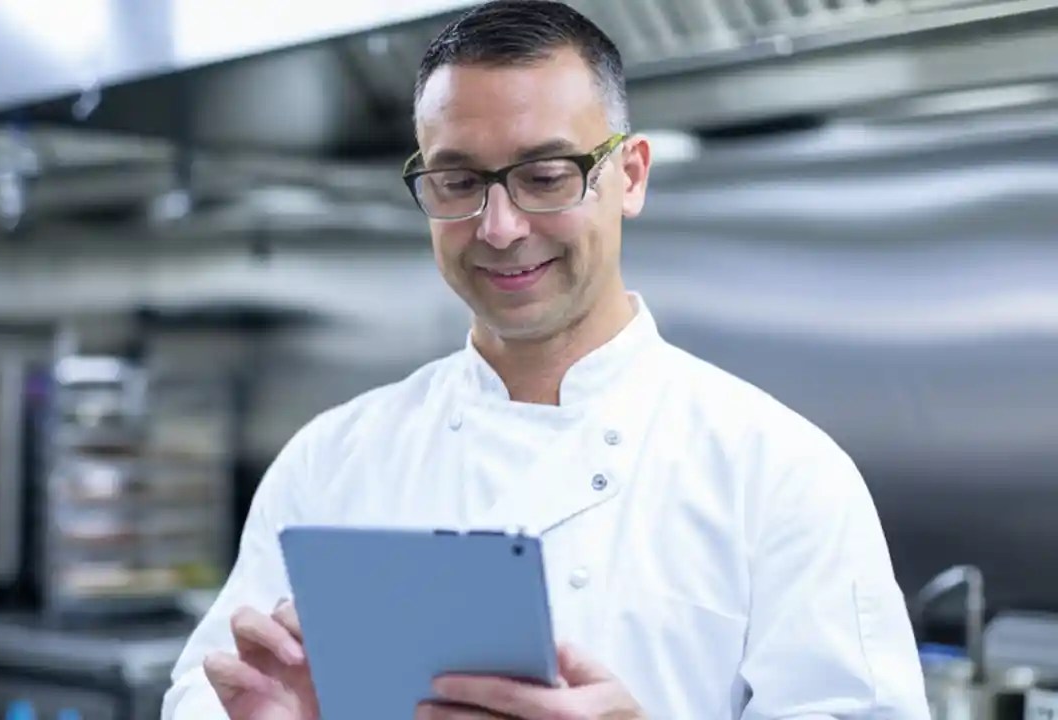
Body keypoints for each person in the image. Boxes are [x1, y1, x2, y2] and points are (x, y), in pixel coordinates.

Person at [162, 1, 930, 718]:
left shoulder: (781, 475)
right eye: (458, 181)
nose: (499, 227)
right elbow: (206, 689)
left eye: (546, 176)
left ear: (630, 176)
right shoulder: (332, 461)